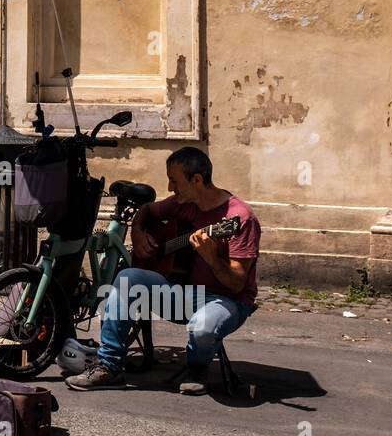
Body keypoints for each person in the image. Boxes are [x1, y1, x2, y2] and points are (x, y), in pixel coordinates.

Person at [65, 146, 261, 396]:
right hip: (185, 294)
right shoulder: (186, 204)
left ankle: (197, 367)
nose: (170, 188)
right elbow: (147, 211)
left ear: (197, 180)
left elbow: (236, 284)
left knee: (203, 327)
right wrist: (138, 234)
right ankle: (109, 366)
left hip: (227, 301)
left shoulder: (240, 218)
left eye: (174, 181)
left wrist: (211, 257)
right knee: (127, 279)